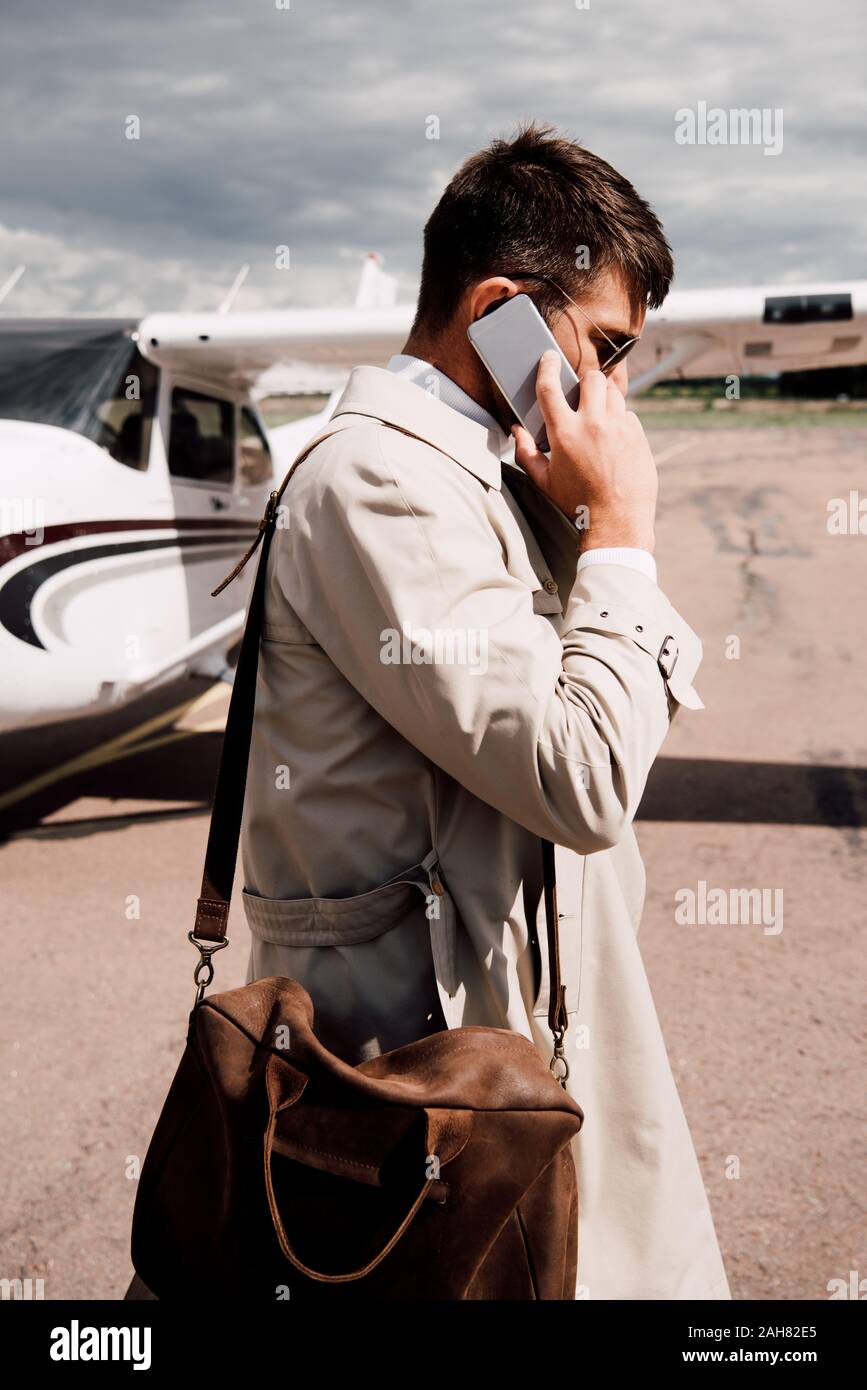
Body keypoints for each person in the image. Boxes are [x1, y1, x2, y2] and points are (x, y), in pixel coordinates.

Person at [240, 121, 731, 1300]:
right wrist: (622, 526)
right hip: (416, 1088)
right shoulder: (380, 478)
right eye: (606, 347)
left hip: (516, 1048)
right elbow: (582, 773)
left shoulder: (487, 468)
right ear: (501, 306)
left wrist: (579, 512)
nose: (614, 392)